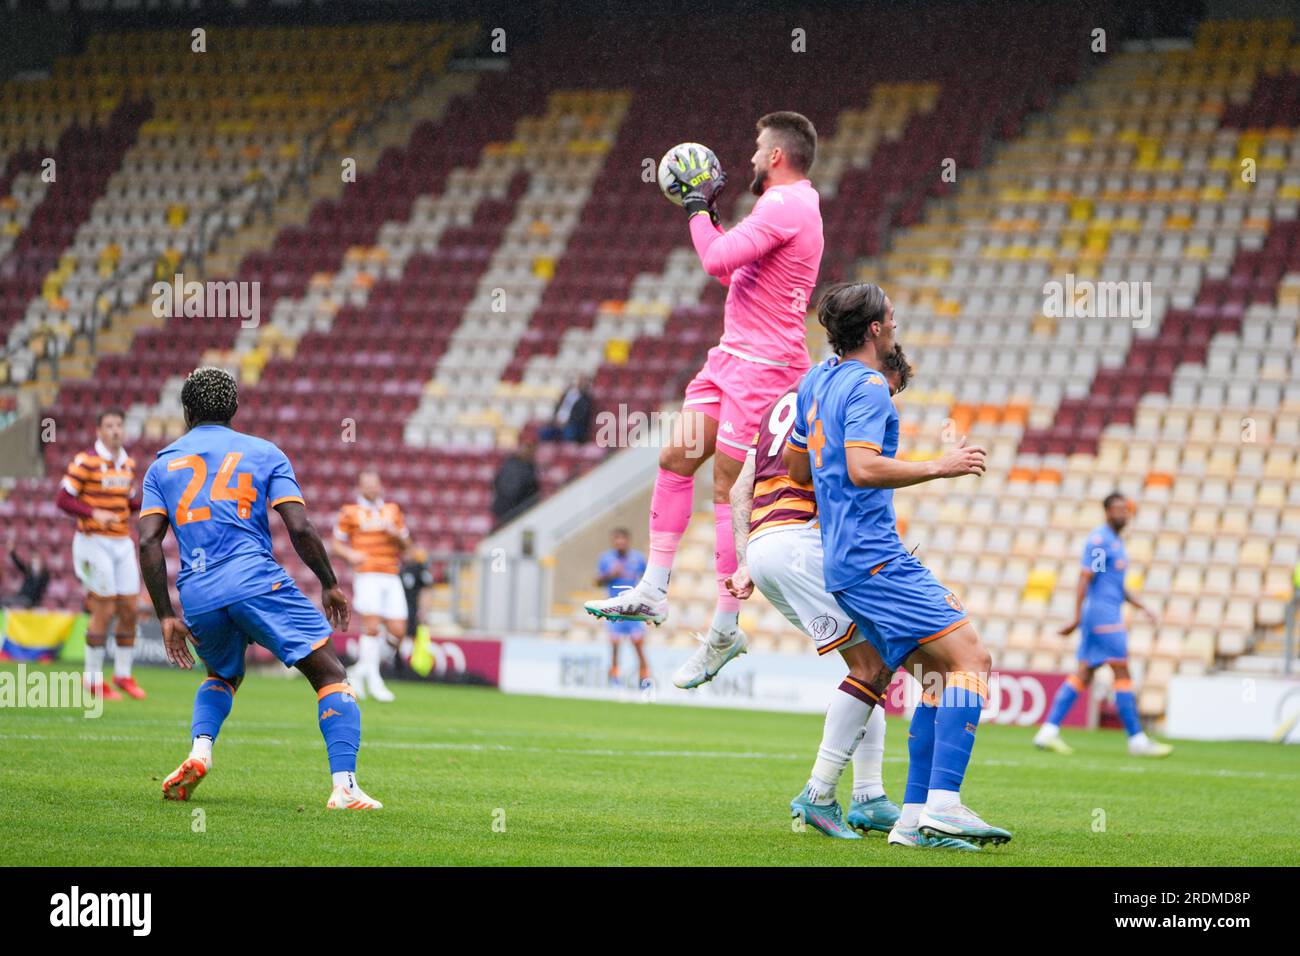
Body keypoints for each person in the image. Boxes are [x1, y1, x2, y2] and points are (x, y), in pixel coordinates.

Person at [585, 113, 825, 693]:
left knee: (725, 489)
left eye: (758, 148)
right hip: (731, 359)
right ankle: (653, 588)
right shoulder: (783, 207)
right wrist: (711, 217)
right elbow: (733, 274)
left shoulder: (785, 203)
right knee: (674, 458)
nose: (750, 158)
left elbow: (716, 260)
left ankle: (724, 629)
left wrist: (695, 208)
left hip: (765, 369)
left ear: (776, 156)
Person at [784, 282, 1011, 849]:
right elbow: (863, 469)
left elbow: (796, 470)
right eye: (891, 318)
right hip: (875, 558)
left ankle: (913, 821)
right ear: (875, 328)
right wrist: (940, 466)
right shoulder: (867, 386)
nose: (896, 325)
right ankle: (946, 805)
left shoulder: (815, 380)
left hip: (843, 562)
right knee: (972, 660)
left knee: (934, 677)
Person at [138, 366, 380, 810]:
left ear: (187, 411)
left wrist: (166, 615)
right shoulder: (265, 453)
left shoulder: (160, 465)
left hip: (197, 591)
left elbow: (149, 542)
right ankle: (345, 787)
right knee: (330, 674)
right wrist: (329, 583)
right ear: (234, 409)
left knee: (222, 674)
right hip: (253, 579)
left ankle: (200, 752)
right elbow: (300, 527)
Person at [727, 348, 913, 842]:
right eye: (888, 388)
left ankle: (869, 796)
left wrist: (744, 560)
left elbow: (739, 490)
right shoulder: (844, 396)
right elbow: (851, 475)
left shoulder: (784, 402)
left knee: (868, 665)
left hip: (766, 546)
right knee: (873, 665)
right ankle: (819, 794)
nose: (884, 401)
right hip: (801, 542)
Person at [1034, 493, 1173, 758]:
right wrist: (1076, 617)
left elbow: (1114, 584)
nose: (1123, 514)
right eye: (1118, 509)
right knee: (1122, 672)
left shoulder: (1114, 542)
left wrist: (1141, 606)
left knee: (1084, 674)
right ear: (1107, 512)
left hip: (1100, 615)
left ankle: (1047, 732)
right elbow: (1086, 578)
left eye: (1126, 509)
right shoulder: (1100, 541)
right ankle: (1137, 740)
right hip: (1104, 617)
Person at [55, 408, 145, 701]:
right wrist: (93, 512)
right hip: (92, 542)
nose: (116, 430)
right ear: (99, 431)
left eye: (119, 425)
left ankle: (123, 674)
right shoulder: (86, 461)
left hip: (122, 542)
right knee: (104, 609)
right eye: (109, 425)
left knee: (130, 608)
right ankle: (92, 679)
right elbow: (62, 499)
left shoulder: (127, 463)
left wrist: (155, 503)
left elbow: (128, 503)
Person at [333, 469, 410, 702]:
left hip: (391, 574)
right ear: (360, 487)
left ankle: (359, 671)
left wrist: (396, 533)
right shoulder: (350, 512)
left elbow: (407, 546)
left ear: (380, 486)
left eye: (374, 484)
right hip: (367, 574)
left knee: (398, 631)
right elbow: (336, 544)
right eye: (366, 484)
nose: (371, 488)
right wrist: (350, 554)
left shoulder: (392, 510)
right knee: (372, 626)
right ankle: (375, 681)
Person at [594, 528, 650, 689]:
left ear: (628, 541)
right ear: (613, 541)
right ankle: (614, 677)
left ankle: (644, 677)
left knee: (638, 644)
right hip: (614, 609)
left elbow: (648, 579)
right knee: (615, 644)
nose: (620, 542)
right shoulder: (606, 559)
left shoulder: (638, 558)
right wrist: (610, 575)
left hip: (632, 609)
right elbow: (597, 582)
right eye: (616, 539)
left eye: (622, 539)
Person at [491, 437, 540, 527]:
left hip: (514, 509)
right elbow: (512, 490)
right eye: (528, 449)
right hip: (512, 509)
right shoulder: (514, 467)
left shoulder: (522, 465)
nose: (532, 453)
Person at [540, 377, 594, 443]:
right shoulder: (567, 395)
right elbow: (557, 408)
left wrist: (566, 422)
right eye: (580, 382)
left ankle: (568, 448)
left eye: (583, 383)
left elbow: (581, 416)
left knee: (569, 432)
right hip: (557, 423)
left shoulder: (585, 399)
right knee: (545, 431)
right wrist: (555, 420)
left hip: (572, 425)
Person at [6, 535, 50, 608]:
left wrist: (38, 572)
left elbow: (40, 589)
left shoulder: (45, 575)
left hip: (32, 600)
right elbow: (19, 564)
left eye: (37, 559)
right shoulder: (28, 571)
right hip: (21, 597)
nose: (35, 561)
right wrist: (12, 552)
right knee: (4, 602)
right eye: (33, 559)